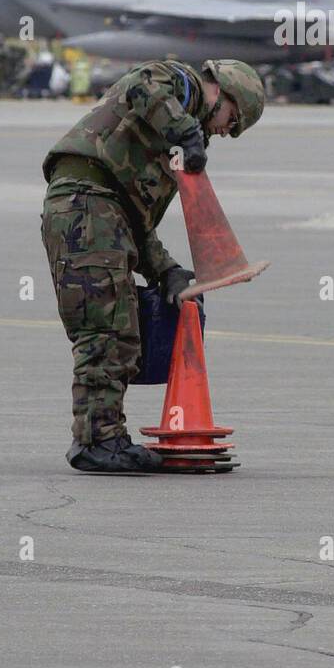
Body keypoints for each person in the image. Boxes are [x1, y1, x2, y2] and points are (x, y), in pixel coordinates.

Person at [41, 57, 265, 473]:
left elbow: (137, 220)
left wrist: (165, 269)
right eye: (232, 120)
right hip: (86, 205)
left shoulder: (169, 136)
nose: (225, 132)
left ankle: (104, 436)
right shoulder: (181, 85)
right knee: (105, 328)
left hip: (101, 211)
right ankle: (96, 442)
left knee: (120, 328)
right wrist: (185, 130)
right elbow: (141, 84)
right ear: (224, 92)